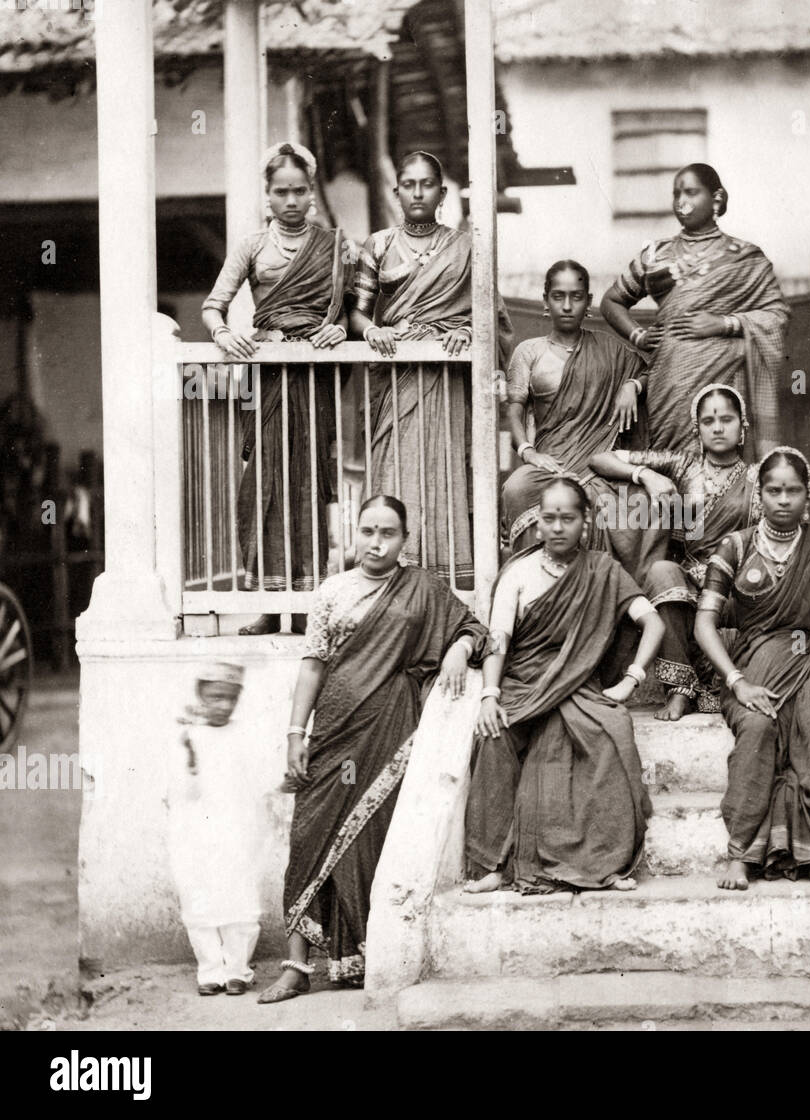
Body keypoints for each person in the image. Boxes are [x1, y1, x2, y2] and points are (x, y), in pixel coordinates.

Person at [257, 495, 488, 1002]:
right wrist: (296, 734)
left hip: (389, 728)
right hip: (334, 728)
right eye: (366, 531)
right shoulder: (333, 592)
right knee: (309, 838)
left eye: (387, 533)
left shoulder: (422, 587)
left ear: (405, 540)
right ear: (353, 532)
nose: (375, 542)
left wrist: (456, 649)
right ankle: (295, 966)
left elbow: (475, 628)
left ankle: (364, 955)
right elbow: (313, 664)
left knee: (367, 841)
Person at [463, 477, 664, 895]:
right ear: (537, 525)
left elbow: (653, 622)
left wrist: (631, 680)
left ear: (585, 522)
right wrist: (489, 695)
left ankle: (604, 862)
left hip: (579, 687)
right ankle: (492, 865)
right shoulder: (518, 573)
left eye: (567, 518)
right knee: (494, 734)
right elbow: (498, 641)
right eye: (548, 518)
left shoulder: (604, 571)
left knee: (612, 737)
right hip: (524, 684)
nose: (557, 527)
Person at [694, 448, 810, 891]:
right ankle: (741, 855)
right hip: (751, 669)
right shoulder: (735, 547)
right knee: (755, 730)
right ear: (760, 496)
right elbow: (703, 622)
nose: (783, 500)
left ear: (807, 497)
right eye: (773, 490)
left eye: (793, 490)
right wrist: (737, 683)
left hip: (808, 666)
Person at [201, 142, 350, 635]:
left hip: (313, 380)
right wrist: (225, 334)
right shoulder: (251, 246)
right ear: (268, 195)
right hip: (268, 379)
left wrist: (341, 329)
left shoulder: (334, 247)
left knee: (308, 481)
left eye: (300, 191)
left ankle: (308, 601)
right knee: (266, 481)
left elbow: (349, 311)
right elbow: (212, 306)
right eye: (281, 192)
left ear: (312, 194)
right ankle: (270, 601)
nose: (291, 200)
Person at [352, 151, 513, 586]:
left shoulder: (465, 247)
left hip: (445, 383)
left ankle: (447, 581)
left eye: (427, 184)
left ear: (442, 193)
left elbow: (491, 318)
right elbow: (358, 313)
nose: (418, 192)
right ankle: (390, 577)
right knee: (393, 471)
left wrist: (467, 329)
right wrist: (370, 333)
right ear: (397, 191)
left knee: (445, 474)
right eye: (409, 184)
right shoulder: (378, 245)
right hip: (396, 376)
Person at [589, 383, 759, 721]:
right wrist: (644, 473)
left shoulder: (758, 476)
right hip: (694, 582)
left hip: (739, 588)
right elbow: (600, 459)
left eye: (727, 419)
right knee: (661, 572)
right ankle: (681, 690)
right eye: (708, 421)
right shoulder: (683, 466)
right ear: (697, 429)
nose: (718, 427)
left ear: (742, 427)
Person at [599, 163, 789, 456]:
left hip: (722, 379)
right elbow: (611, 301)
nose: (681, 202)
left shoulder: (744, 257)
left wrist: (723, 324)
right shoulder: (656, 255)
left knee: (720, 464)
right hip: (668, 384)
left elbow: (776, 317)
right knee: (672, 471)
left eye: (691, 192)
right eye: (676, 194)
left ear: (717, 198)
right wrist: (638, 335)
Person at [501, 259, 648, 556]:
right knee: (515, 487)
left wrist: (632, 385)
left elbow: (650, 370)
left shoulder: (611, 349)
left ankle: (606, 583)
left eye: (576, 297)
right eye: (558, 297)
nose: (567, 306)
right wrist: (529, 452)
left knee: (644, 503)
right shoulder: (529, 351)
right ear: (546, 301)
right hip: (549, 465)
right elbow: (514, 410)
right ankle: (533, 576)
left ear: (589, 302)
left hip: (600, 466)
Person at [167, 661, 268, 996]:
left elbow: (255, 782)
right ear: (200, 695)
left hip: (235, 831)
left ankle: (238, 969)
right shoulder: (187, 734)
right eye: (215, 697)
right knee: (200, 898)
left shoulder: (244, 734)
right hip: (197, 833)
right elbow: (176, 787)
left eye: (229, 698)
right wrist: (189, 755)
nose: (223, 705)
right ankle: (209, 970)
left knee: (239, 899)